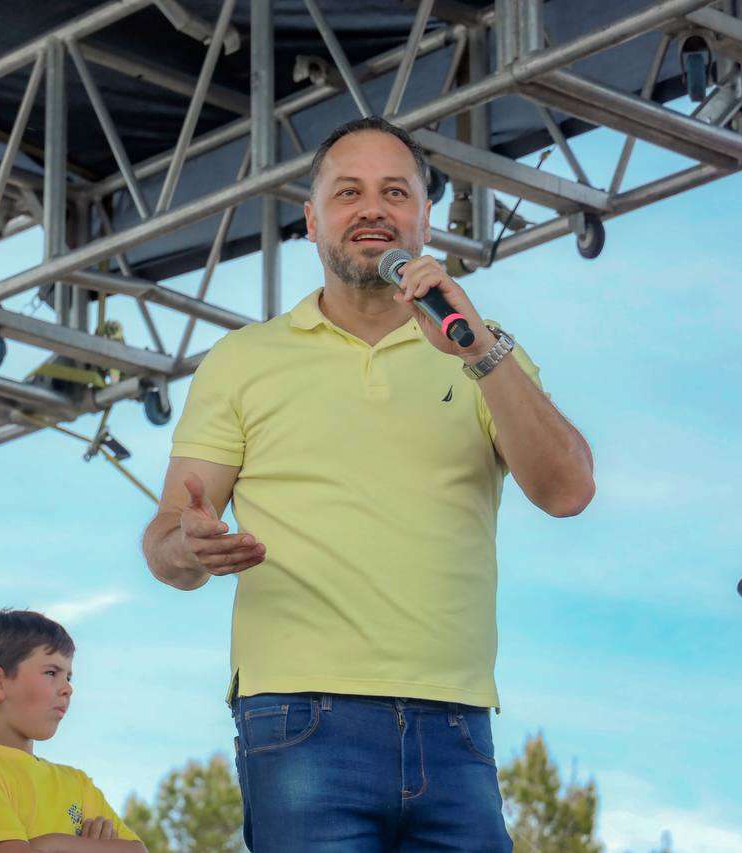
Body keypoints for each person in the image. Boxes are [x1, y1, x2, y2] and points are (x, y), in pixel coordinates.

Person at [142, 116, 596, 852]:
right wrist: (190, 546)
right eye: (348, 192)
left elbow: (568, 490)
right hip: (299, 717)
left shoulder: (482, 345)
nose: (373, 208)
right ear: (312, 219)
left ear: (424, 216)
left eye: (395, 191)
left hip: (458, 720)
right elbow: (165, 540)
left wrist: (479, 349)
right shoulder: (244, 359)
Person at [0, 609, 145, 853]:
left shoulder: (78, 783)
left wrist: (48, 845)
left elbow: (137, 850)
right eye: (51, 673)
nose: (67, 688)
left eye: (69, 677)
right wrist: (86, 846)